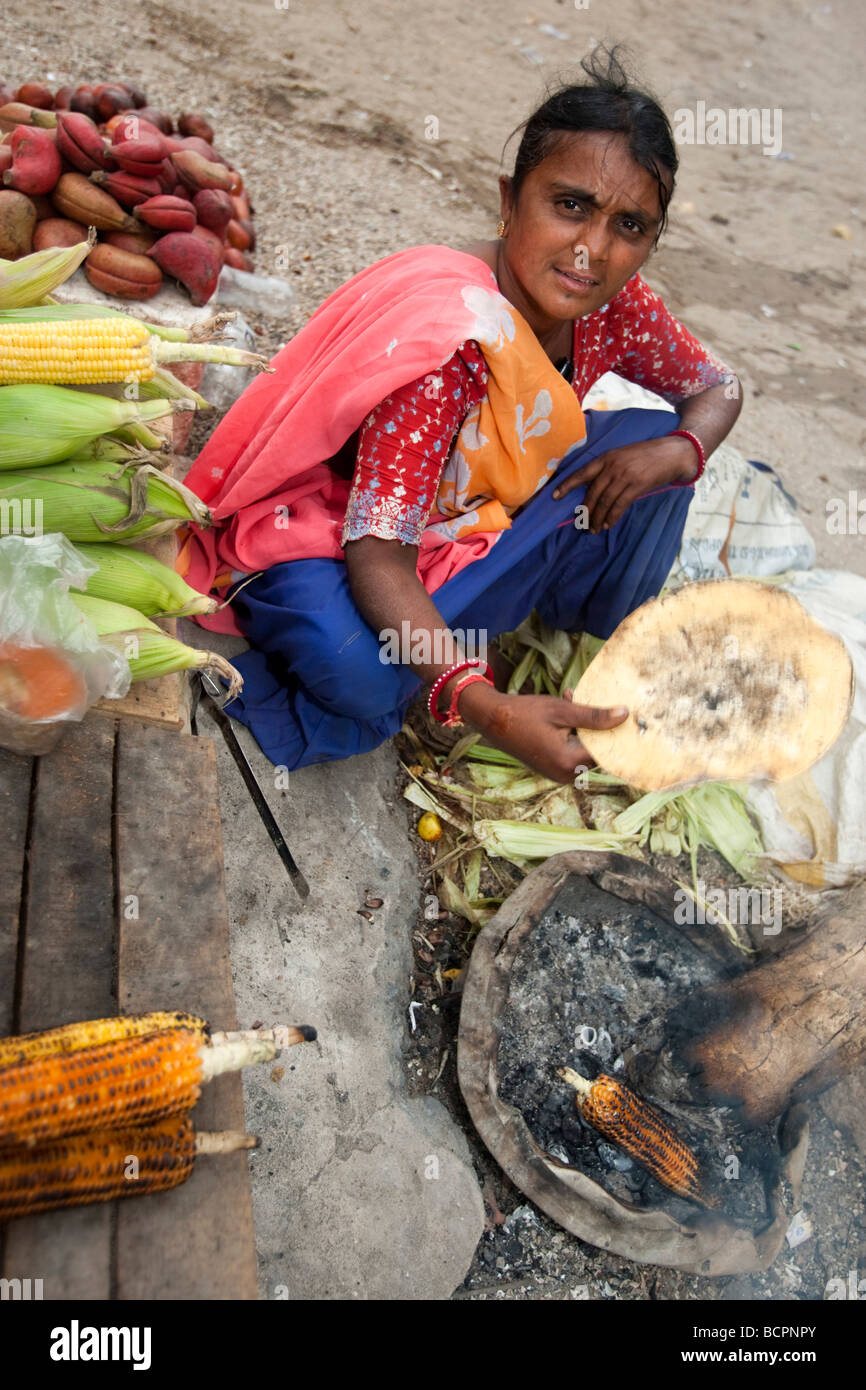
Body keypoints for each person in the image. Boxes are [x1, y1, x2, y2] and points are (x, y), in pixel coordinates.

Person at [183, 48, 740, 781]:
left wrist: (682, 453)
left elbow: (718, 385)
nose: (591, 249)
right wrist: (488, 708)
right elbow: (378, 554)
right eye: (569, 204)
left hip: (473, 519)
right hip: (344, 533)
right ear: (510, 201)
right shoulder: (451, 341)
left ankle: (564, 640)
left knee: (653, 447)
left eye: (629, 226)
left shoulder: (617, 311)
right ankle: (461, 666)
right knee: (360, 671)